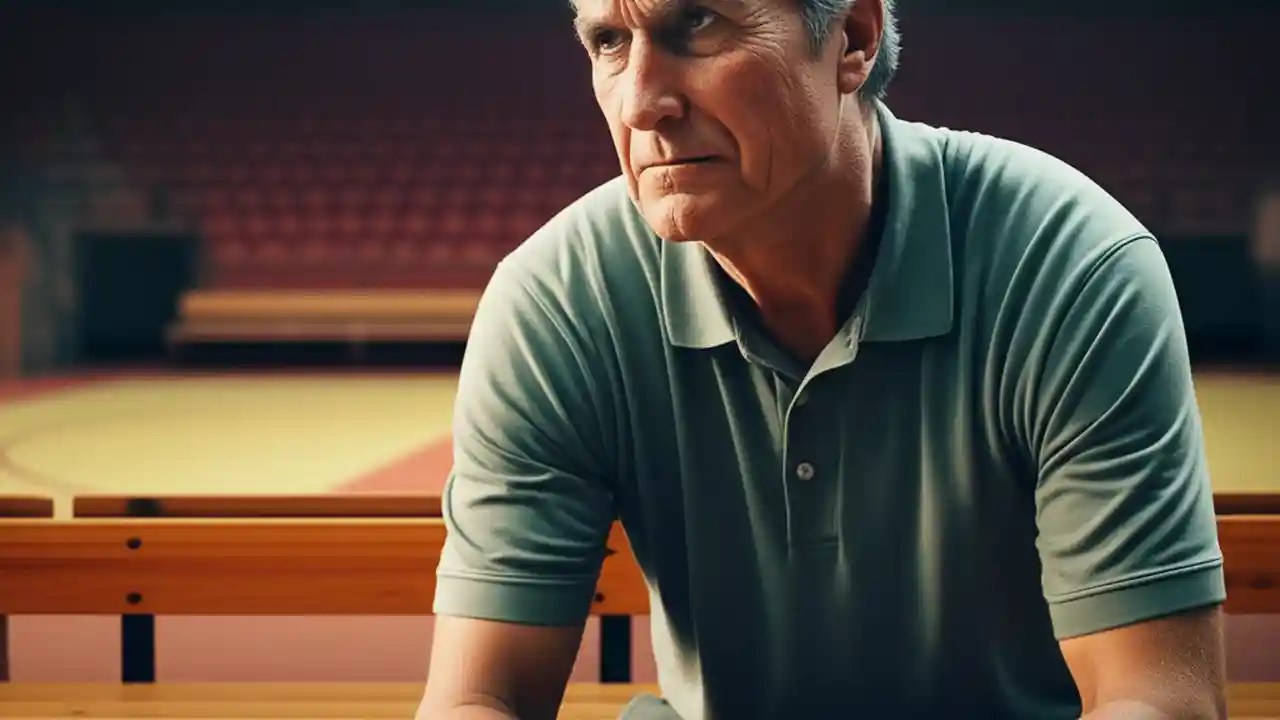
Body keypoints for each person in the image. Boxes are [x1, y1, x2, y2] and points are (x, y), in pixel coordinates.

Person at [417, 0, 1228, 718]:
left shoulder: (1067, 266)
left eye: (696, 23)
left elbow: (1158, 698)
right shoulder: (559, 299)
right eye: (608, 42)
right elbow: (481, 697)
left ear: (854, 38)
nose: (640, 102)